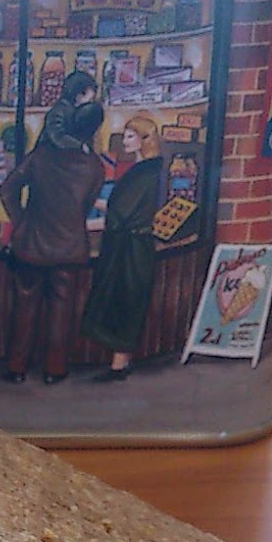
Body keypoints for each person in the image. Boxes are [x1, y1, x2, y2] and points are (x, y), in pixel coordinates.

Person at [0, 102, 105, 385]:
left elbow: (8, 188)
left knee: (24, 308)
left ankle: (17, 367)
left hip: (32, 245)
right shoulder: (95, 166)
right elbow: (86, 206)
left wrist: (21, 221)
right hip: (69, 248)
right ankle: (54, 370)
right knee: (61, 313)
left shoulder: (40, 156)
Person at [81, 115, 164, 381]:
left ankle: (119, 366)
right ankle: (120, 363)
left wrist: (83, 223)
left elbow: (119, 216)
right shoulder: (145, 169)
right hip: (132, 246)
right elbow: (119, 207)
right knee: (127, 301)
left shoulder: (143, 173)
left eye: (130, 136)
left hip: (130, 249)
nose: (124, 141)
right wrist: (88, 200)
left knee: (126, 302)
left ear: (143, 139)